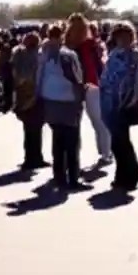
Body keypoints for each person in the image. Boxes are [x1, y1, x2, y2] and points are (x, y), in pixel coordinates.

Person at [37, 24, 87, 189]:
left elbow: (38, 77)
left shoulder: (42, 54)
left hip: (49, 98)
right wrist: (81, 94)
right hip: (67, 99)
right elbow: (75, 77)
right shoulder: (68, 55)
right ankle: (73, 178)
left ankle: (59, 176)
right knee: (71, 141)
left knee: (57, 140)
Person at [100, 22, 138, 191]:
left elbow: (137, 80)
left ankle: (127, 176)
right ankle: (128, 173)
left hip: (124, 100)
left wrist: (133, 98)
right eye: (120, 36)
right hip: (109, 101)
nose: (124, 40)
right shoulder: (113, 54)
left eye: (127, 36)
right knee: (118, 141)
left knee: (121, 141)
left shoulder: (133, 55)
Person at [67, 15, 112, 166]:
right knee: (99, 122)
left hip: (74, 87)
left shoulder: (68, 46)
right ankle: (105, 152)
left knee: (74, 124)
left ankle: (74, 158)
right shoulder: (92, 45)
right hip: (92, 85)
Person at [11, 32, 47, 169]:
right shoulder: (36, 56)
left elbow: (16, 75)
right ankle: (35, 157)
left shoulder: (18, 55)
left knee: (29, 129)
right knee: (36, 129)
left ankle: (30, 157)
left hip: (23, 95)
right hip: (35, 95)